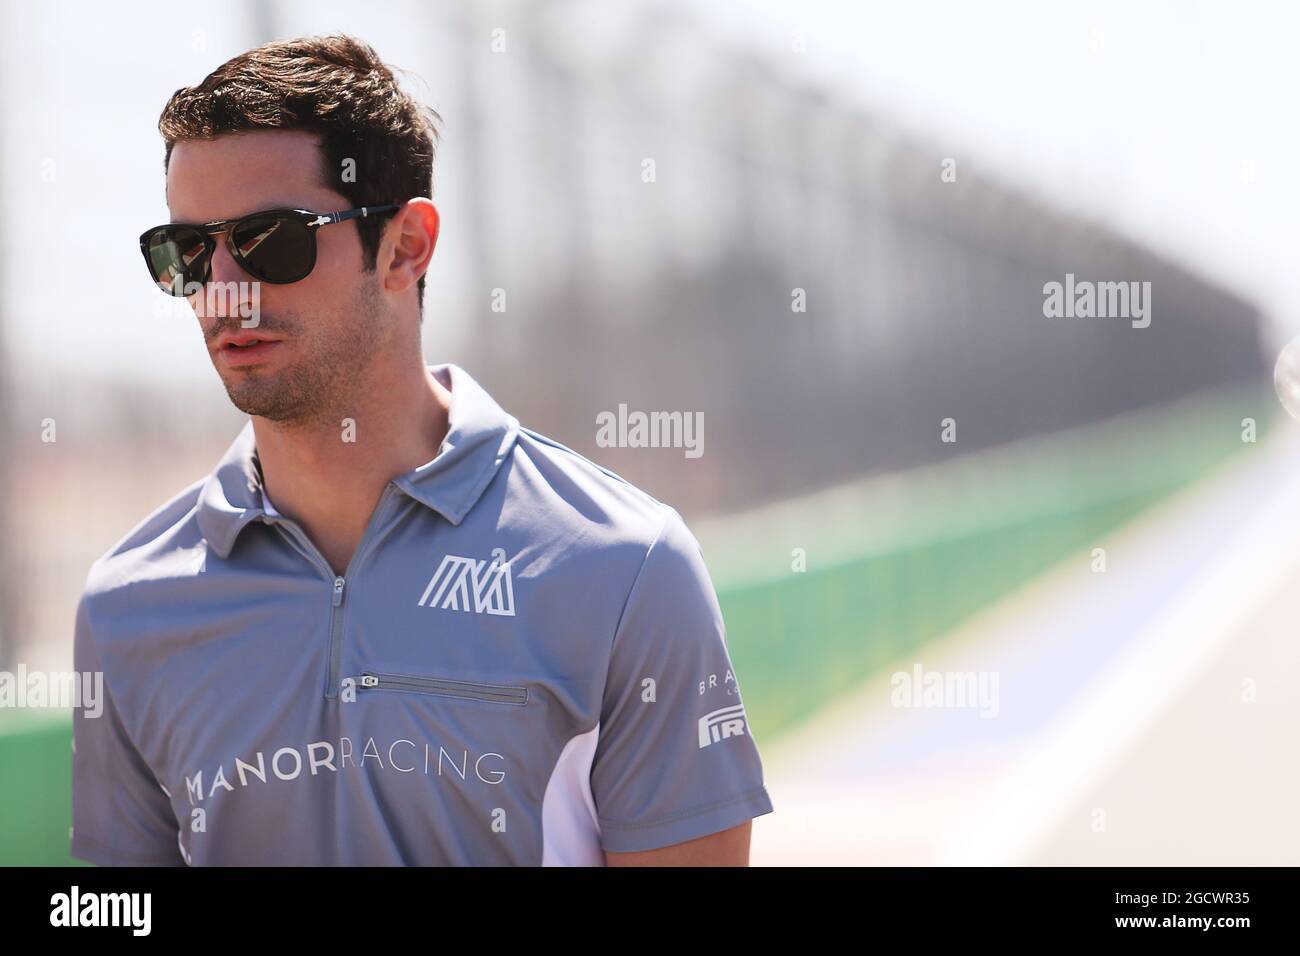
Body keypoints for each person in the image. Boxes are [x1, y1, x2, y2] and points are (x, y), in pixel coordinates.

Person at [71, 34, 773, 866]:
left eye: (271, 241)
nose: (223, 286)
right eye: (187, 253)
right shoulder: (125, 607)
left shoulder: (625, 567)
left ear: (405, 246)